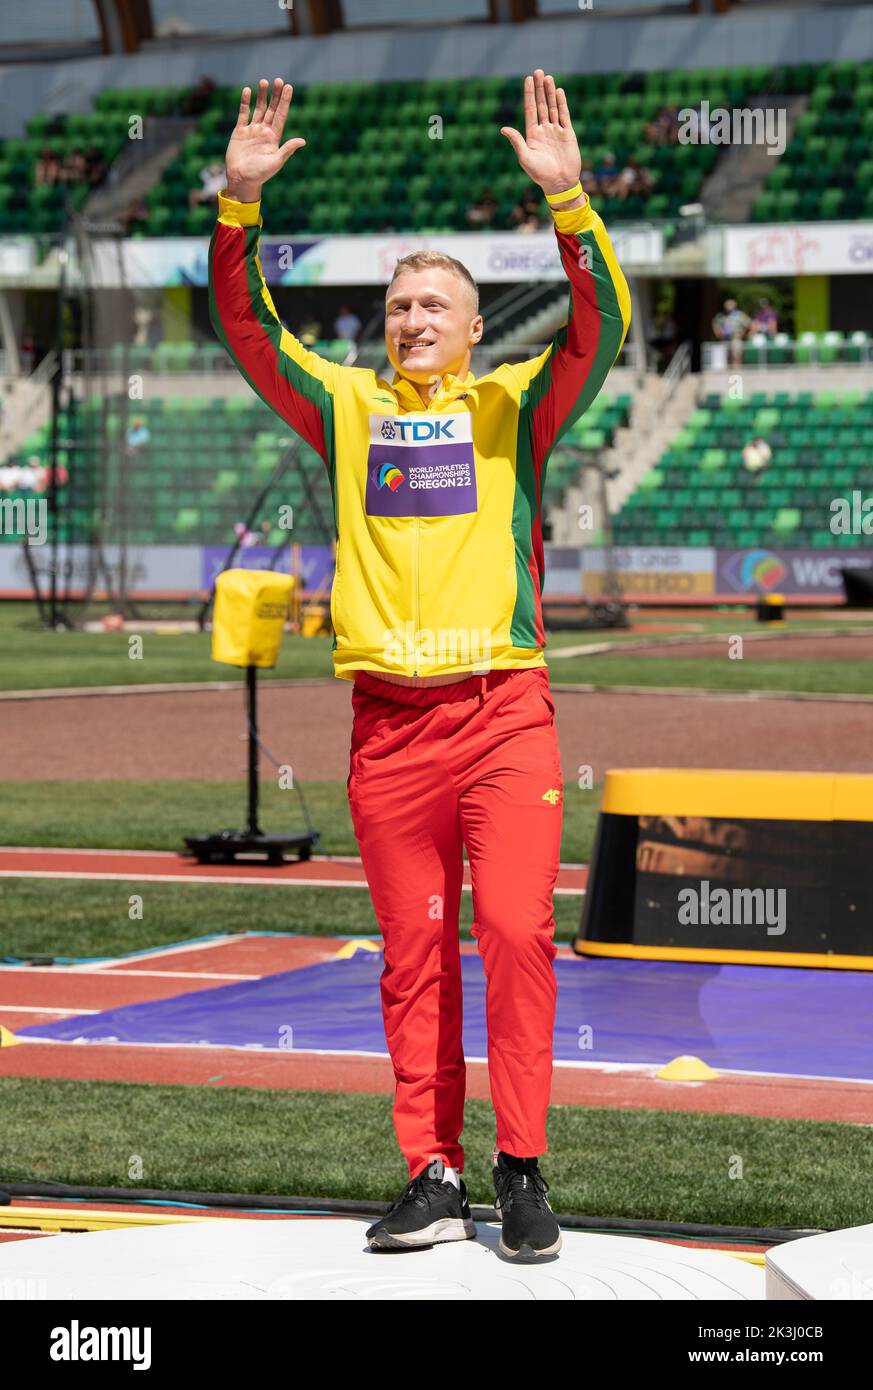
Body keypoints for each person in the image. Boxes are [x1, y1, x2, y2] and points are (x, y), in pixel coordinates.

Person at [209, 71, 630, 1261]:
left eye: (435, 302)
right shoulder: (345, 406)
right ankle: (433, 1172)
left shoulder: (517, 406)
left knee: (517, 933)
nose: (413, 317)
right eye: (399, 304)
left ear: (475, 324)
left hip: (503, 717)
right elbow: (250, 330)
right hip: (389, 731)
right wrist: (239, 203)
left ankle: (522, 1166)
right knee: (414, 955)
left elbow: (601, 325)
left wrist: (571, 206)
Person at [712, 297, 751, 366]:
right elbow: (716, 326)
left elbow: (749, 324)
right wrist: (719, 333)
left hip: (736, 338)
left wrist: (743, 333)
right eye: (727, 305)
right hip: (724, 338)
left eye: (731, 305)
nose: (729, 307)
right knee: (723, 357)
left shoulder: (739, 315)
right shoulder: (721, 316)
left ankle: (737, 368)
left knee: (736, 353)